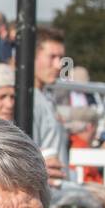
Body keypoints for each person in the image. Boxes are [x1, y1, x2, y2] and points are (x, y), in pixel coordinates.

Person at [32, 26, 69, 177]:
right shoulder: (27, 100)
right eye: (52, 57)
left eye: (61, 58)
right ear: (31, 56)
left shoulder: (46, 96)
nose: (59, 65)